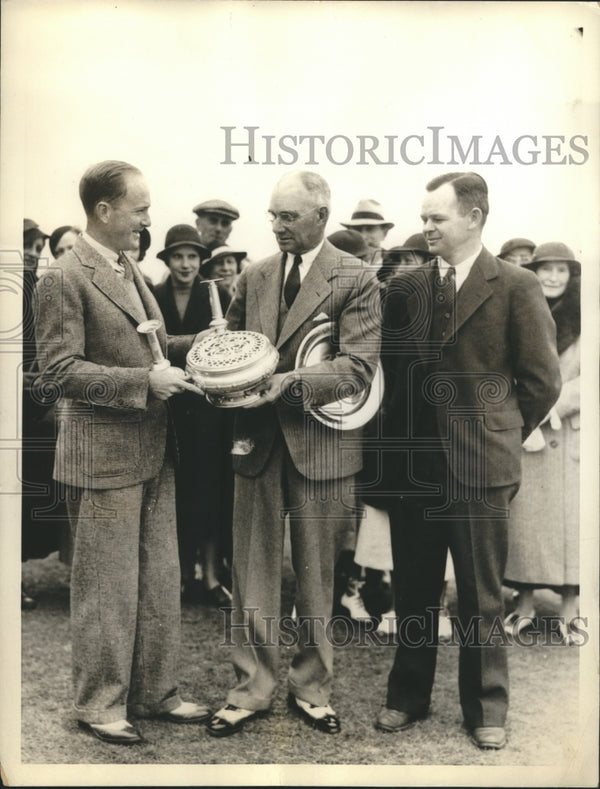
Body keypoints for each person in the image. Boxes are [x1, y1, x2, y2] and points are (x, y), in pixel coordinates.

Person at [373, 172, 561, 750]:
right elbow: (392, 379)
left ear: (475, 217)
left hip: (481, 468)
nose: (426, 227)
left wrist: (499, 433)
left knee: (481, 594)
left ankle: (487, 708)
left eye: (437, 218)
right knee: (415, 588)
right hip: (416, 472)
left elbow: (541, 381)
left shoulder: (516, 284)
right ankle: (407, 696)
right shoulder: (404, 290)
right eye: (424, 217)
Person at [34, 160, 210, 745]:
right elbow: (60, 371)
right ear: (104, 212)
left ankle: (156, 693)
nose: (148, 219)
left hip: (151, 450)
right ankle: (100, 704)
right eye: (139, 209)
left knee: (159, 581)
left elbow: (153, 346)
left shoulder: (126, 266)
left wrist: (204, 343)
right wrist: (143, 386)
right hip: (102, 455)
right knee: (107, 588)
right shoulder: (63, 276)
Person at [207, 171, 381, 737]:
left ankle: (312, 689)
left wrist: (292, 382)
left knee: (316, 578)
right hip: (255, 442)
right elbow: (230, 347)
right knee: (252, 573)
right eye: (273, 216)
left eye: (288, 217)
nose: (277, 226)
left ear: (321, 217)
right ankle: (250, 689)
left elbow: (358, 367)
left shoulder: (356, 277)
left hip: (324, 447)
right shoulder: (253, 276)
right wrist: (216, 370)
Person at [503, 242, 581, 643]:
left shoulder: (588, 318)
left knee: (570, 526)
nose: (553, 277)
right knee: (527, 523)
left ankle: (571, 609)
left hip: (568, 432)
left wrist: (556, 403)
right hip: (529, 429)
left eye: (561, 271)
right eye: (546, 269)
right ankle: (525, 604)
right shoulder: (522, 310)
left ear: (572, 276)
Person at [153, 224, 232, 606]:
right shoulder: (152, 296)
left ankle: (214, 576)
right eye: (178, 256)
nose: (185, 264)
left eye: (192, 257)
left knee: (213, 492)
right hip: (170, 409)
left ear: (202, 260)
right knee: (179, 494)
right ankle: (184, 575)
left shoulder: (218, 295)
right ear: (167, 260)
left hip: (210, 409)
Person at [341, 198, 394, 268]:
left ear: (384, 233)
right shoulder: (338, 263)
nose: (363, 236)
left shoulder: (396, 265)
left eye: (370, 229)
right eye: (357, 229)